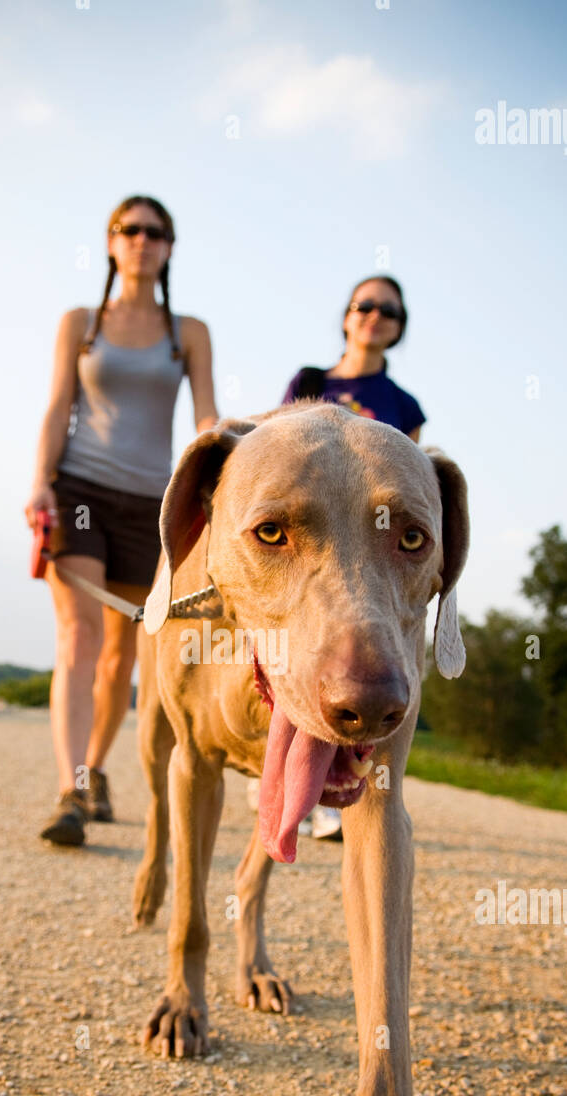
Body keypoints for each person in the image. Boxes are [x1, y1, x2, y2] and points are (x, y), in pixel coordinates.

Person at [25, 195, 218, 845]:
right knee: (77, 639)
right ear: (110, 243)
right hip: (78, 488)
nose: (141, 240)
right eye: (128, 230)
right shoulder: (80, 322)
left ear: (169, 247)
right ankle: (70, 790)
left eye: (154, 232)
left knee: (119, 657)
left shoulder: (185, 332)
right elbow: (57, 407)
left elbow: (205, 419)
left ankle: (95, 769)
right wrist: (39, 484)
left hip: (150, 503)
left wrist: (223, 478)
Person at [250, 274, 426, 840]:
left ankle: (333, 788)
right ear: (347, 316)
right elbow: (271, 451)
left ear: (398, 329)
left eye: (388, 311)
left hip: (372, 549)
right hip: (311, 544)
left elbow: (412, 481)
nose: (375, 316)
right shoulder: (310, 380)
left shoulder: (403, 405)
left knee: (362, 659)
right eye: (364, 305)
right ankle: (289, 775)